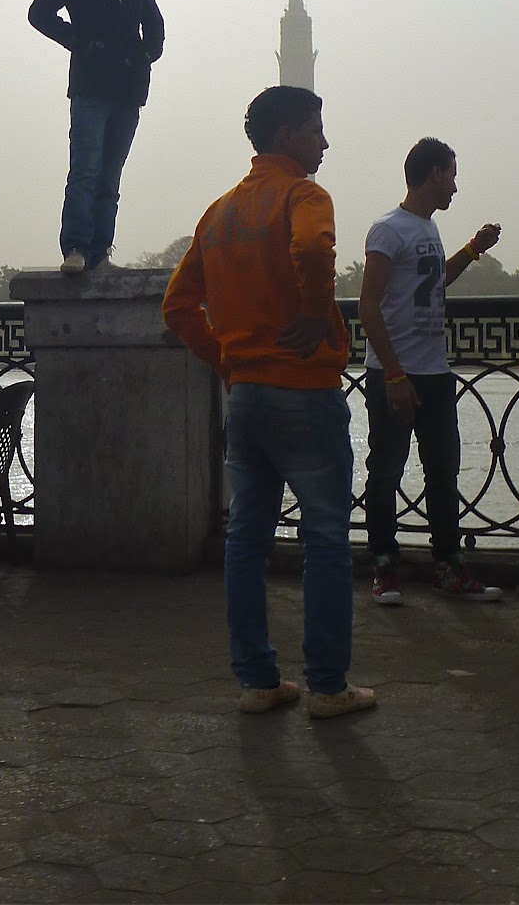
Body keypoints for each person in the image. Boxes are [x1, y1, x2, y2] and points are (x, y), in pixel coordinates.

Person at [162, 86, 375, 721]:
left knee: (246, 539)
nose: (324, 143)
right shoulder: (304, 197)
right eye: (316, 130)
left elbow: (177, 306)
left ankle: (258, 681)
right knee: (326, 538)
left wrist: (227, 360)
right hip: (306, 392)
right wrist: (313, 312)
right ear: (288, 136)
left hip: (248, 397)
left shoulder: (220, 212)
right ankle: (328, 687)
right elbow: (310, 248)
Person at [358, 138, 503, 605]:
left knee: (443, 473)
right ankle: (384, 567)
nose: (455, 187)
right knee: (386, 472)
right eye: (452, 176)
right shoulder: (387, 230)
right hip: (395, 373)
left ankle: (449, 566)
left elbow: (434, 281)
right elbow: (367, 305)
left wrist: (473, 249)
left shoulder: (429, 227)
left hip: (435, 372)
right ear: (435, 174)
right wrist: (394, 375)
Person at [28, 0, 165, 275]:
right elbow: (39, 13)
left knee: (110, 175)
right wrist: (82, 43)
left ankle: (101, 251)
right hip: (91, 84)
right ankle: (76, 248)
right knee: (86, 170)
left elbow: (154, 21)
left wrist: (147, 54)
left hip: (128, 87)